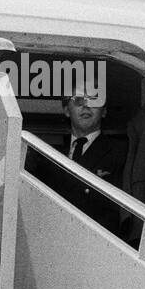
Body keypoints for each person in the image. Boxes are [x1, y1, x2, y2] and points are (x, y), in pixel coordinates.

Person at [28, 86, 128, 235]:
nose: (86, 105)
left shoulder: (122, 151)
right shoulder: (47, 156)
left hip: (98, 242)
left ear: (104, 111)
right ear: (67, 110)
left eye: (94, 99)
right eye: (78, 100)